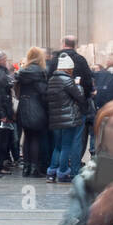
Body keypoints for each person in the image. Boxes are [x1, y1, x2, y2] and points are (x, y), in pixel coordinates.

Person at [47, 36, 94, 173]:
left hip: (56, 109)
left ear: (63, 44)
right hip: (76, 109)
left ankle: (53, 170)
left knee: (59, 144)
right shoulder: (80, 60)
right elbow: (88, 84)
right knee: (75, 141)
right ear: (75, 45)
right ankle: (71, 170)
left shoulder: (54, 61)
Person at [46, 53, 85, 183]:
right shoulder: (68, 80)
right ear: (69, 69)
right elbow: (79, 97)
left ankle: (51, 172)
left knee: (57, 146)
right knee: (66, 146)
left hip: (55, 118)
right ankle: (62, 173)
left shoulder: (51, 80)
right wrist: (78, 86)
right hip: (68, 118)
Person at [15, 47, 50, 177]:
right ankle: (34, 169)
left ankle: (26, 168)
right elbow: (43, 92)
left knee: (27, 137)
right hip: (36, 107)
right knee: (35, 138)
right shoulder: (40, 71)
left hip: (23, 107)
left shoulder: (22, 71)